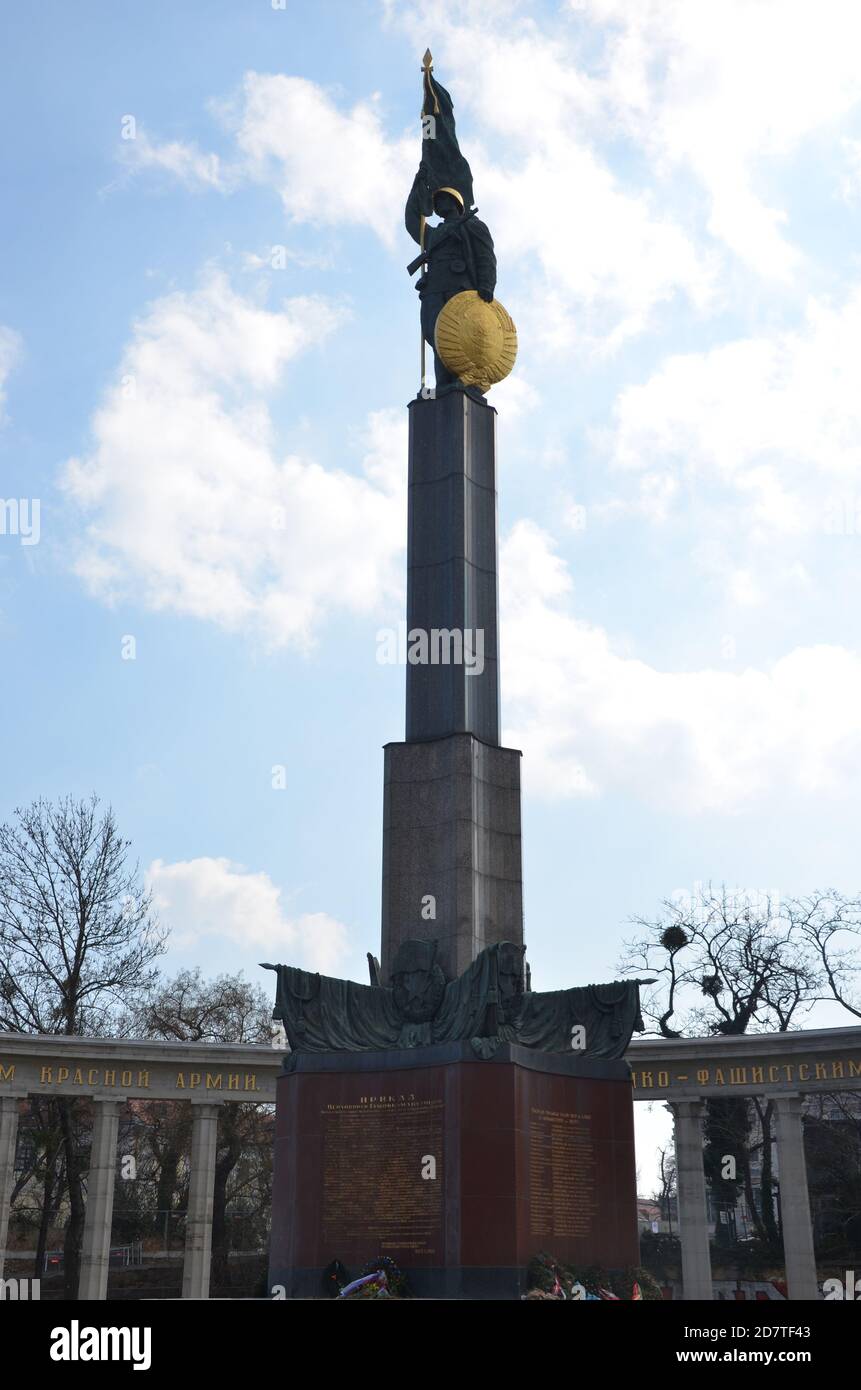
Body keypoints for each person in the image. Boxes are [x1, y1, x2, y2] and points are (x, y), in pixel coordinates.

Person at [405, 162, 497, 392]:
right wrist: (419, 185)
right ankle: (444, 384)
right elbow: (412, 221)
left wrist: (487, 284)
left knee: (461, 335)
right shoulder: (434, 234)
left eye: (443, 200)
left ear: (455, 202)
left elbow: (486, 256)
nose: (438, 204)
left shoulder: (472, 226)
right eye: (436, 202)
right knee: (437, 337)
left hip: (461, 289)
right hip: (434, 289)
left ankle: (467, 379)